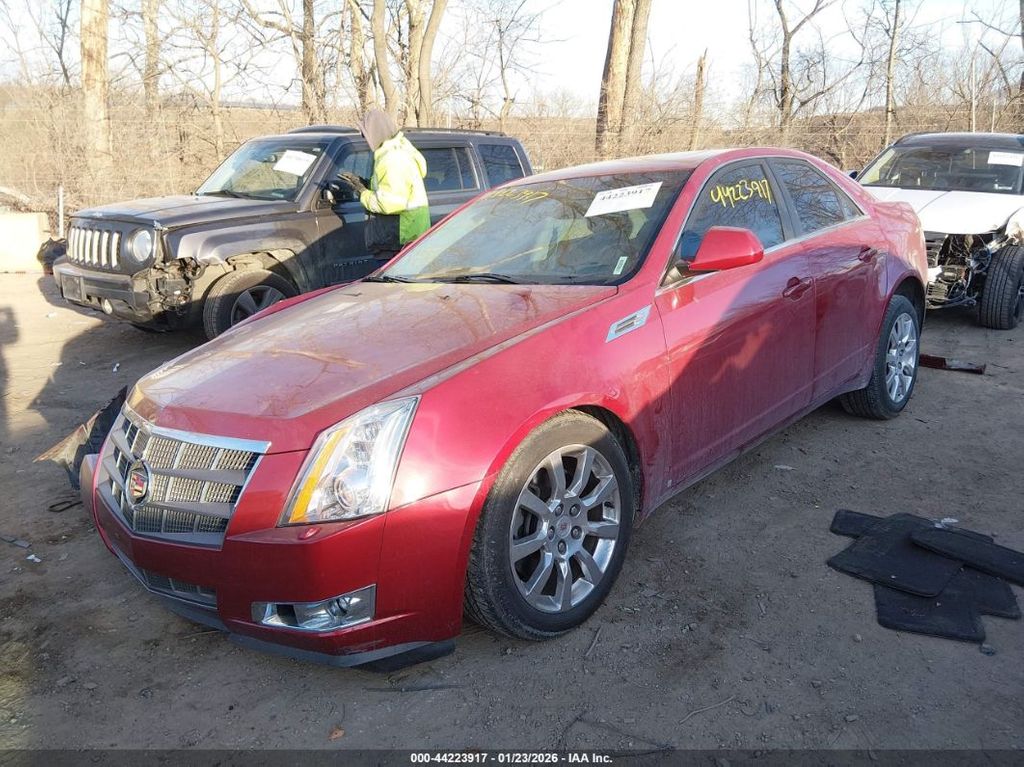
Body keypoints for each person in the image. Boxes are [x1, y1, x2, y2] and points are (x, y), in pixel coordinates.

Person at [338, 109, 430, 263]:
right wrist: (364, 184)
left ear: (375, 133)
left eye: (365, 135)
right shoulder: (396, 151)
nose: (365, 140)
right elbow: (390, 187)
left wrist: (363, 193)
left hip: (399, 237)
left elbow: (390, 203)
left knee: (393, 279)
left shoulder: (392, 159)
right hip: (405, 234)